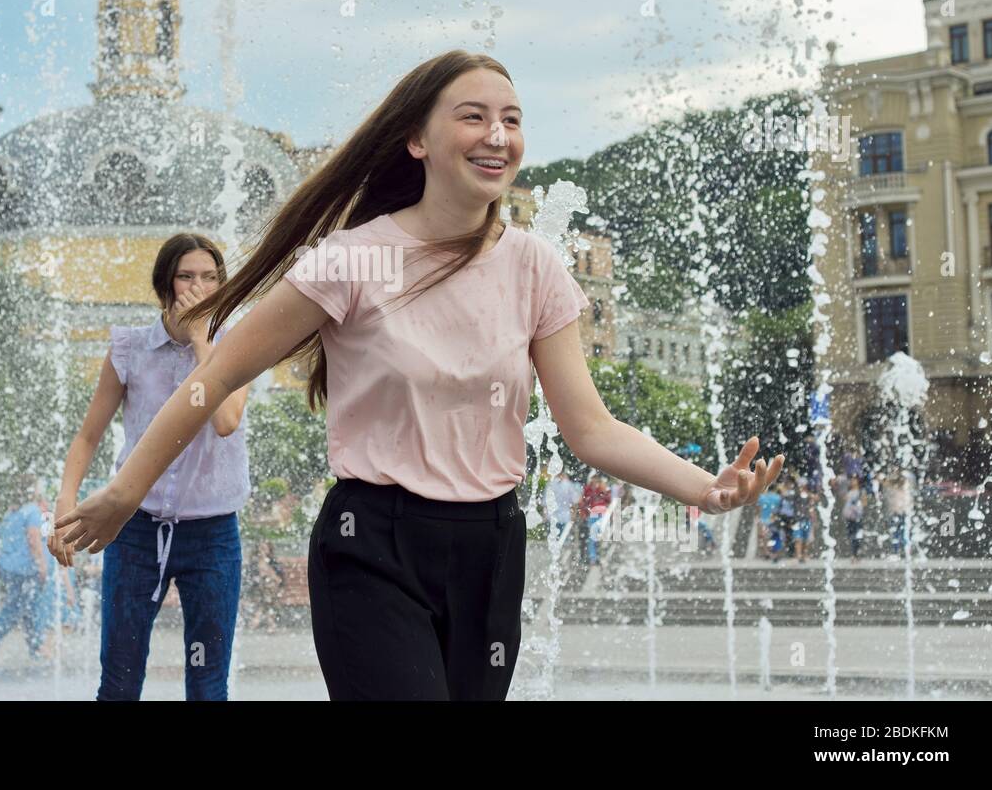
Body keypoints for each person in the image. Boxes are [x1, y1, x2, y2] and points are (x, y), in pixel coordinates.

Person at [53, 50, 784, 701]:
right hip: (372, 544)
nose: (498, 135)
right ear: (418, 140)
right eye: (473, 117)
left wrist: (702, 487)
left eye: (512, 119)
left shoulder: (535, 267)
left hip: (490, 552)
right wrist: (125, 492)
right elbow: (211, 380)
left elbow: (589, 428)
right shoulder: (353, 258)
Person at [46, 234, 251, 701]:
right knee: (119, 679)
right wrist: (65, 502)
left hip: (213, 536)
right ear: (165, 284)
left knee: (208, 683)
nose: (198, 286)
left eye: (209, 277)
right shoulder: (130, 348)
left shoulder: (236, 346)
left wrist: (204, 341)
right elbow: (87, 437)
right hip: (136, 530)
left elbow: (225, 421)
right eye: (186, 276)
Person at [0, 475, 51, 661]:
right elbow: (34, 539)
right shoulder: (32, 511)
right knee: (15, 609)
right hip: (25, 569)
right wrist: (42, 566)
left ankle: (36, 649)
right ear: (30, 490)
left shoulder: (12, 512)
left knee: (28, 608)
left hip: (8, 567)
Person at [580, 471, 612, 566]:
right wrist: (584, 512)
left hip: (601, 514)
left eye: (597, 478)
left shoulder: (601, 488)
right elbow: (584, 501)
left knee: (601, 536)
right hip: (592, 514)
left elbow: (609, 499)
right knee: (592, 537)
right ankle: (593, 557)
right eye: (594, 478)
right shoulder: (588, 489)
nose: (595, 480)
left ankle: (600, 556)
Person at [545, 466, 581, 542]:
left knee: (551, 540)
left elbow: (545, 502)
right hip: (565, 516)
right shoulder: (568, 485)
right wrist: (573, 514)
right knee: (564, 541)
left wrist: (545, 514)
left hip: (552, 516)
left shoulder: (550, 484)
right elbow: (574, 501)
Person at [883, 471, 910, 555]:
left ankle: (900, 550)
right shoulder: (896, 491)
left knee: (900, 532)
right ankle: (898, 550)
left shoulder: (901, 491)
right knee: (898, 532)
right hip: (897, 512)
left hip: (900, 512)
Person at [755, 483, 781, 561]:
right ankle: (774, 553)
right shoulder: (778, 498)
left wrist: (758, 520)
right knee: (774, 536)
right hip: (773, 520)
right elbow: (778, 510)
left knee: (764, 538)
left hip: (763, 520)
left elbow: (758, 510)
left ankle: (766, 553)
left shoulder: (761, 498)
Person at [842, 478, 866, 560]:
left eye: (854, 480)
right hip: (849, 517)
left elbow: (864, 502)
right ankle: (854, 553)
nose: (852, 482)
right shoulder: (849, 492)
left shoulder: (860, 491)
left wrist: (857, 506)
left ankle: (856, 553)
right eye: (851, 480)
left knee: (857, 536)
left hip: (857, 516)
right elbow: (845, 501)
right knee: (851, 536)